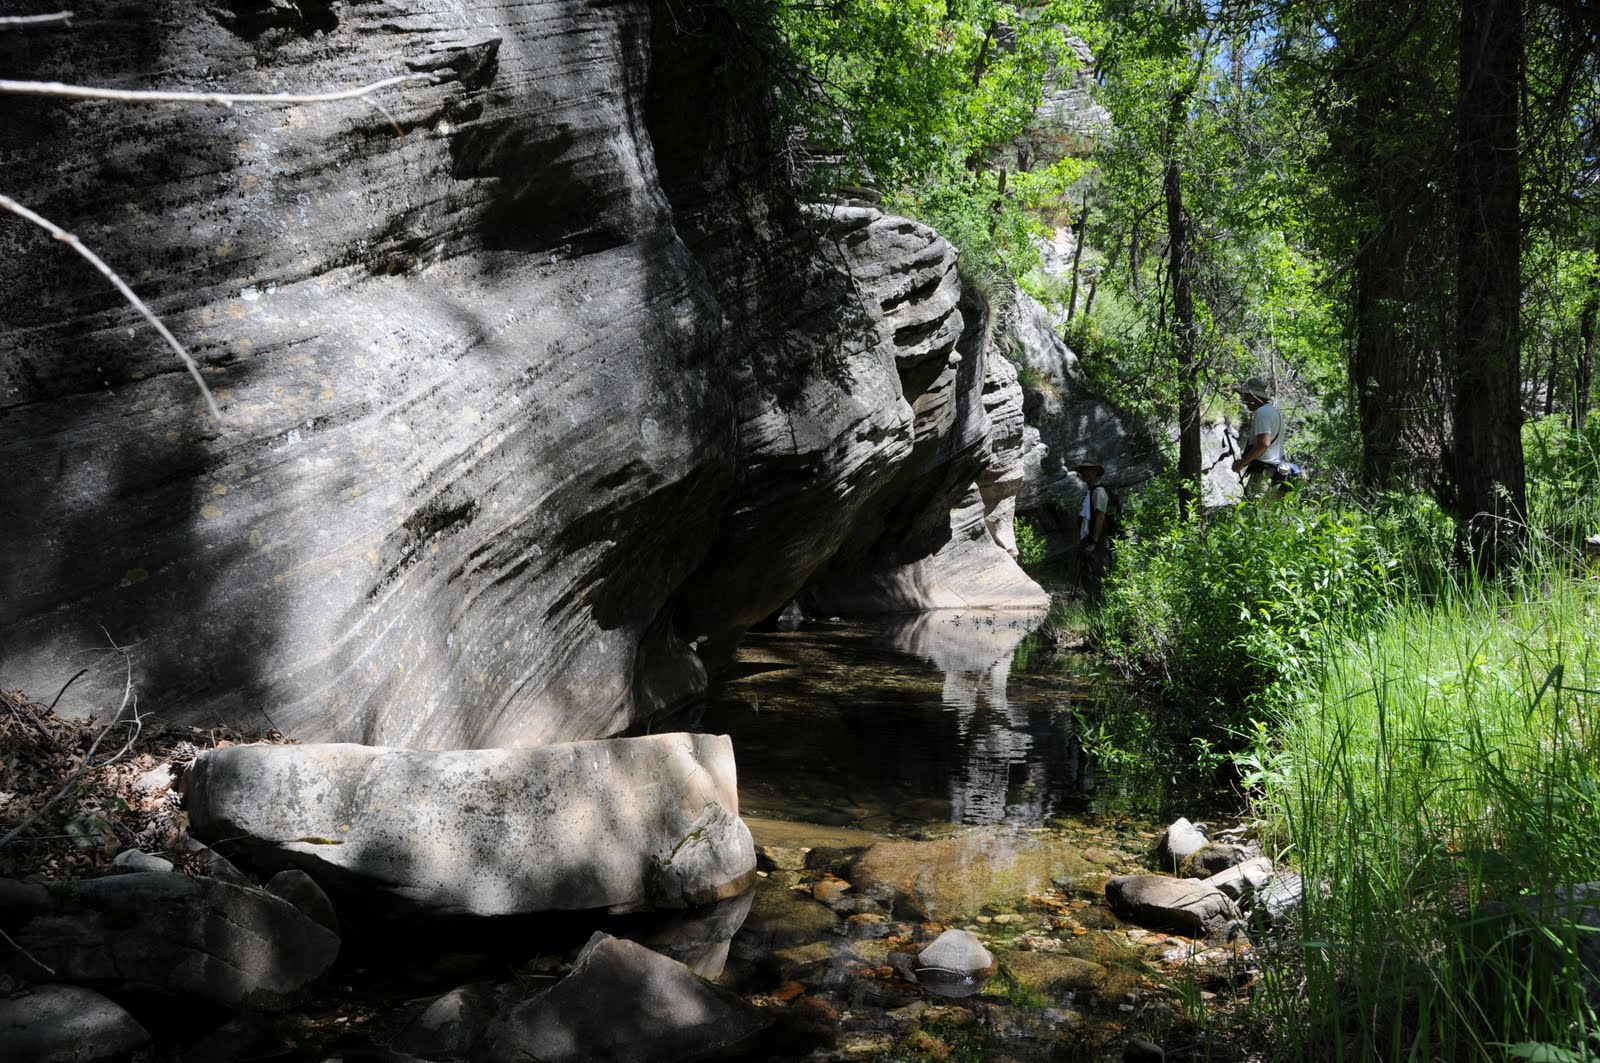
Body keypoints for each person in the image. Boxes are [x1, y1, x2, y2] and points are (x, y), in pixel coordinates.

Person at [1229, 376, 1284, 500]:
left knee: (1254, 508)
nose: (1243, 400)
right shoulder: (1273, 412)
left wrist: (1241, 464)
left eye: (1245, 396)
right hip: (1274, 473)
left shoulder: (1262, 413)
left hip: (1263, 474)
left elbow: (1263, 443)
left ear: (1253, 396)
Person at [1074, 460, 1111, 603]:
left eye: (1089, 470)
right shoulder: (1090, 491)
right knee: (1087, 573)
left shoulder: (1099, 492)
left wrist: (1093, 542)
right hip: (1089, 540)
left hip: (1097, 540)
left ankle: (1098, 604)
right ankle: (1092, 605)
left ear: (1096, 472)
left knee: (1095, 573)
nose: (1086, 474)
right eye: (1083, 471)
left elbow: (1100, 518)